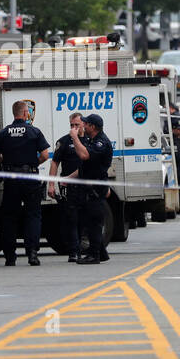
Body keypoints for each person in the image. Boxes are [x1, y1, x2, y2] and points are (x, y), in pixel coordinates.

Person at [0, 100, 50, 266]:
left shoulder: (3, 133)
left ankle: (10, 256)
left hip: (12, 180)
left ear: (14, 113)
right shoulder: (34, 131)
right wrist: (32, 164)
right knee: (33, 215)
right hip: (30, 178)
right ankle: (32, 254)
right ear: (25, 113)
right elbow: (45, 155)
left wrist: (9, 162)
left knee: (9, 217)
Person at [70, 113, 113, 264]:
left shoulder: (101, 143)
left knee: (94, 222)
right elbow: (84, 166)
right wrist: (68, 179)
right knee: (90, 220)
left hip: (95, 187)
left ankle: (94, 255)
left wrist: (74, 138)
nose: (83, 126)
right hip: (90, 186)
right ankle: (101, 252)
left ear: (92, 127)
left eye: (86, 124)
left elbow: (84, 156)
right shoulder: (92, 140)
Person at [48, 112, 84, 262]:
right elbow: (55, 163)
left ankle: (84, 248)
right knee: (71, 218)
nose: (74, 128)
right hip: (68, 186)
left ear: (83, 125)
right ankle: (73, 251)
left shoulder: (88, 141)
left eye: (77, 125)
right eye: (72, 125)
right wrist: (51, 184)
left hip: (86, 185)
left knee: (84, 218)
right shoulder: (63, 142)